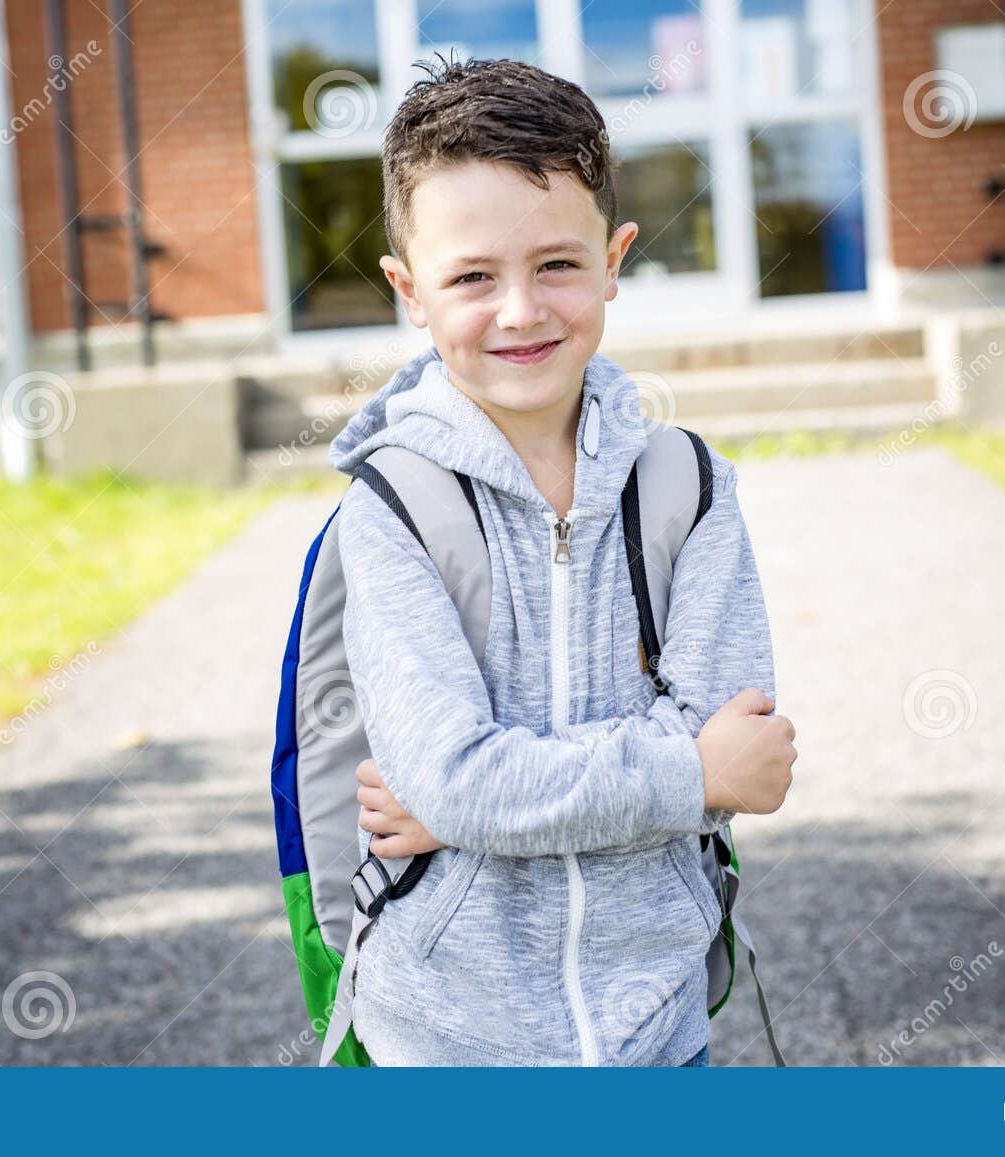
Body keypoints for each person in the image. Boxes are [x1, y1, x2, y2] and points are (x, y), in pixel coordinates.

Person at [327, 56, 796, 1067]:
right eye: (470, 277)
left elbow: (741, 764)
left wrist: (478, 804)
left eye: (556, 265)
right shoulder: (393, 508)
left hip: (659, 1033)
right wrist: (675, 767)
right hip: (449, 1045)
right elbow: (466, 783)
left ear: (615, 257)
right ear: (408, 290)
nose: (519, 311)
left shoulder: (686, 485)